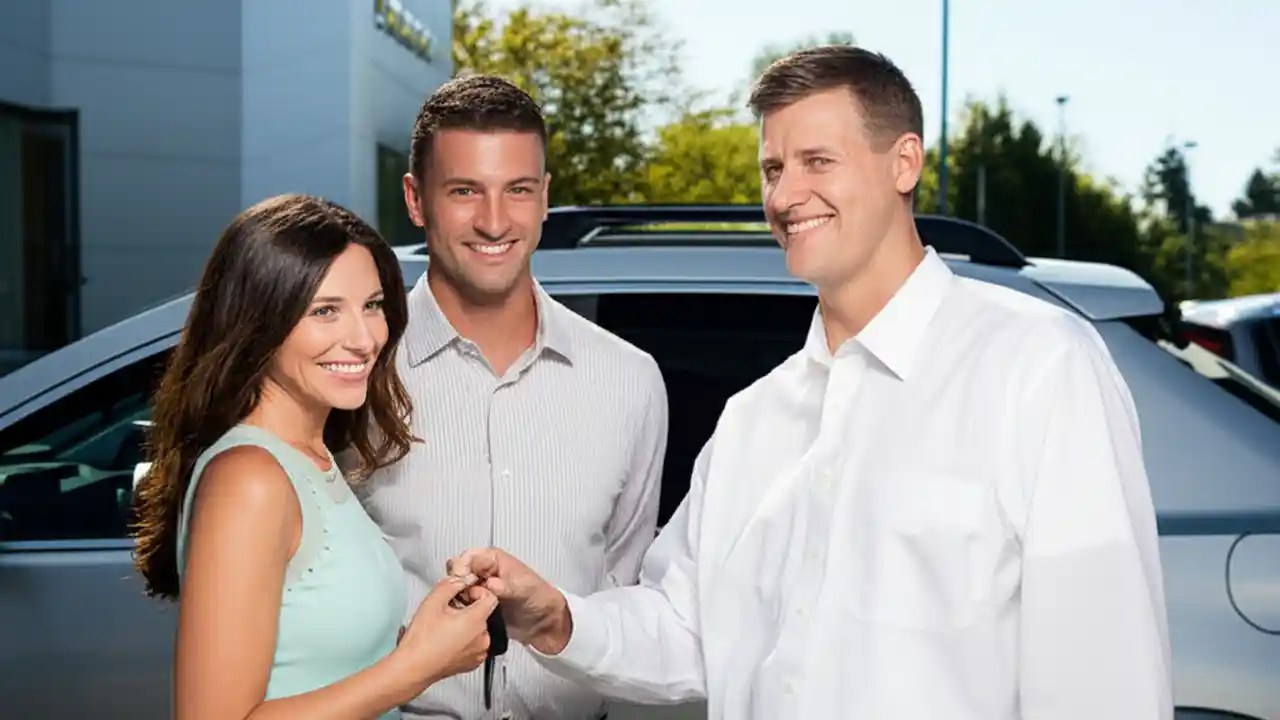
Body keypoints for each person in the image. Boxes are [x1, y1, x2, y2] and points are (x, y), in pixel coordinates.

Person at [445, 46, 1174, 719]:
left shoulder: (1038, 365)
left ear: (904, 162)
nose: (787, 195)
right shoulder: (754, 418)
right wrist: (556, 618)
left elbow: (1102, 680)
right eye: (773, 169)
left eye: (818, 162)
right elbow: (686, 628)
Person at [354, 75, 668, 720]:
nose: (494, 221)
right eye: (465, 190)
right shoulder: (355, 373)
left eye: (517, 190)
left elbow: (625, 596)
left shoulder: (630, 380)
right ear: (416, 200)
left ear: (545, 196)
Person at [130, 193, 498, 719]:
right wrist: (416, 666)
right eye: (325, 311)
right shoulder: (250, 479)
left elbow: (322, 660)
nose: (364, 338)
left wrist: (429, 637)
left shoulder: (312, 456)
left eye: (372, 305)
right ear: (259, 321)